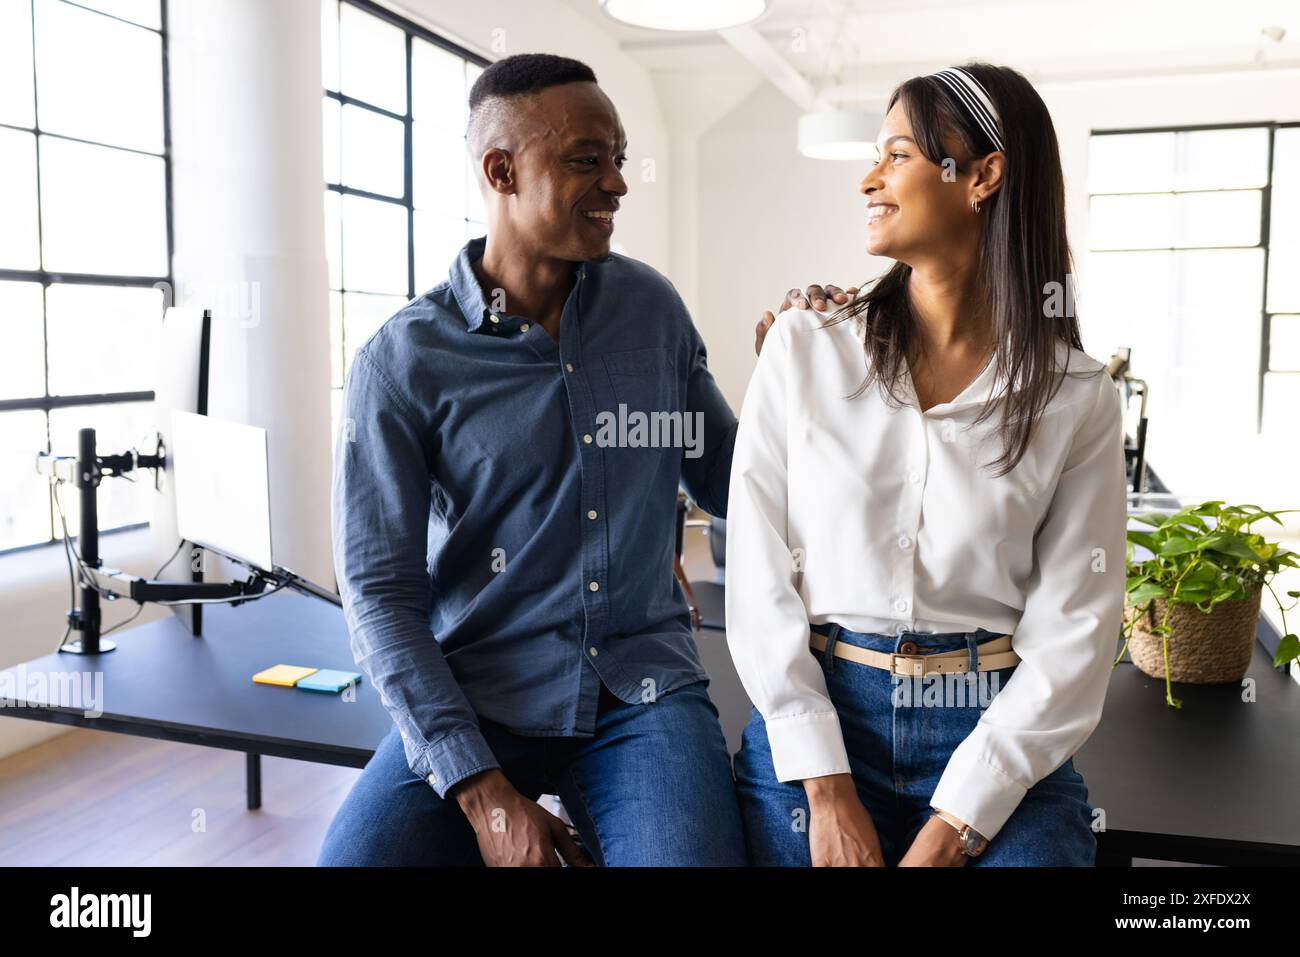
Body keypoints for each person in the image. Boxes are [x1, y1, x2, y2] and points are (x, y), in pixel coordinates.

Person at [318, 53, 746, 866]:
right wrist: (485, 796)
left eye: (619, 158)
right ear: (502, 170)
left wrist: (812, 368)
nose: (618, 182)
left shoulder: (651, 311)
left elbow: (736, 481)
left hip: (640, 690)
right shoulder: (402, 362)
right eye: (589, 159)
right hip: (478, 695)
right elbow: (380, 596)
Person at [726, 63, 1127, 866]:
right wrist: (827, 789)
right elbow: (757, 574)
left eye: (898, 155)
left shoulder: (1077, 397)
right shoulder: (806, 348)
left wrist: (957, 826)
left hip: (995, 730)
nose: (870, 180)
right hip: (823, 727)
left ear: (982, 175)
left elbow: (1076, 634)